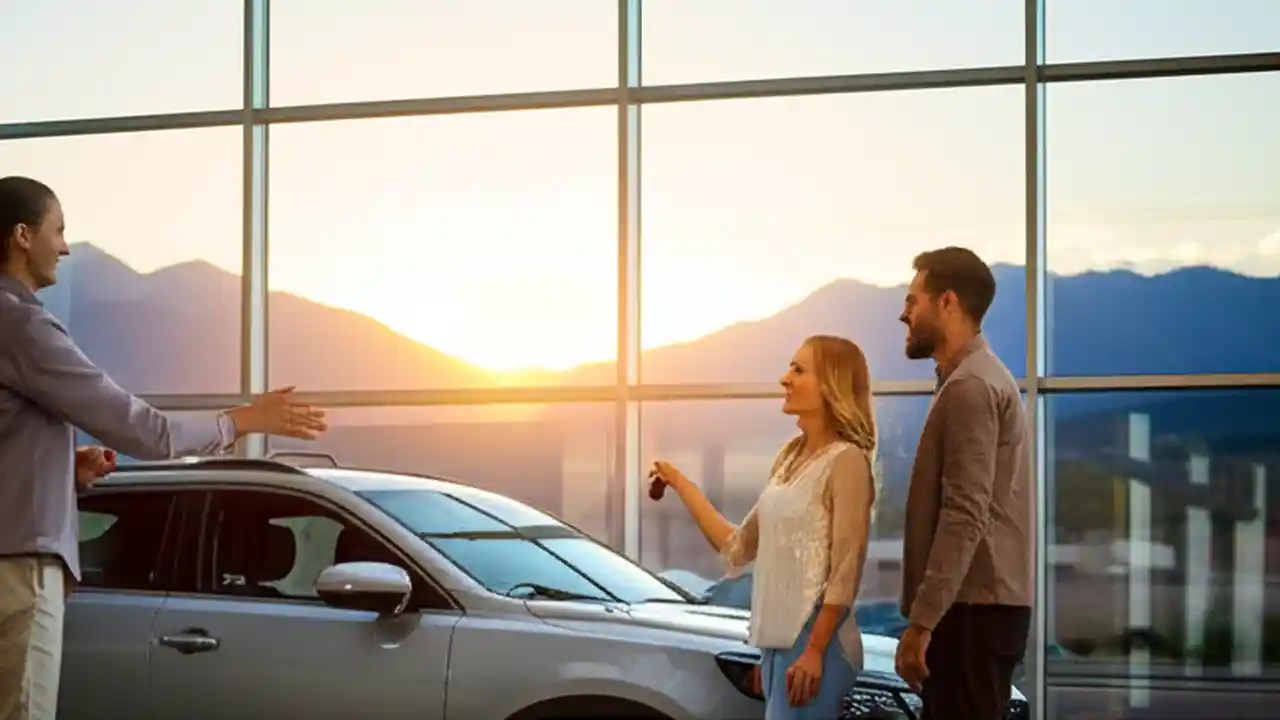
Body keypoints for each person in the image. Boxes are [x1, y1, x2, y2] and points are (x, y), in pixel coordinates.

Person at [0, 175, 329, 719]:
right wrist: (242, 420)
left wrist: (62, 466)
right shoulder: (24, 325)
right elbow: (147, 432)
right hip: (19, 568)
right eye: (57, 230)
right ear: (21, 235)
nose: (63, 246)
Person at [649, 335, 877, 719]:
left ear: (830, 384)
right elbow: (737, 546)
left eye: (798, 370)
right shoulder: (789, 457)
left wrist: (814, 651)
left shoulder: (848, 461)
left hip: (818, 644)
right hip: (781, 647)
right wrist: (679, 482)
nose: (784, 379)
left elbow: (845, 570)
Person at [894, 247, 1033, 719]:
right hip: (980, 608)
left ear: (947, 301)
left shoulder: (971, 387)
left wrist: (922, 622)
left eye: (913, 301)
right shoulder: (974, 379)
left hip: (973, 611)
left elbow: (965, 513)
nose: (903, 313)